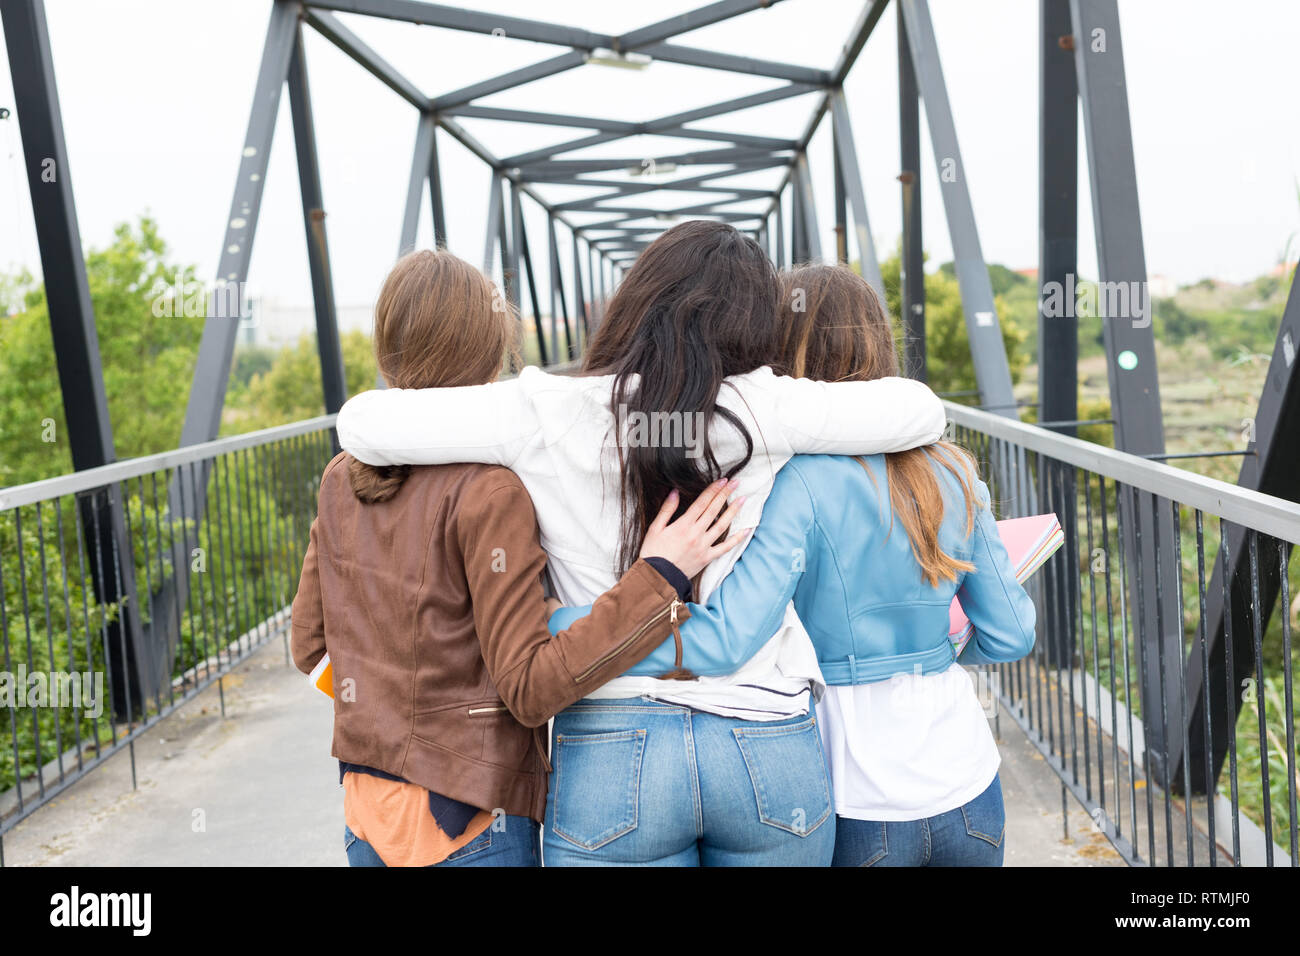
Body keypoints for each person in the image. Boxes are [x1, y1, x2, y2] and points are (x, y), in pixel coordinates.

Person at [335, 221, 947, 866]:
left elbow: (364, 424)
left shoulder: (542, 409)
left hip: (613, 749)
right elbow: (921, 411)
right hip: (762, 742)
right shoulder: (769, 407)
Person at [553, 264, 1037, 866]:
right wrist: (931, 653)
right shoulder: (954, 473)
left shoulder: (794, 483)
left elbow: (728, 637)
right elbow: (1012, 633)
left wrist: (568, 629)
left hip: (860, 794)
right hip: (970, 786)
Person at [290, 248, 745, 867]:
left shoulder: (341, 476)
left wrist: (385, 715)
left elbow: (309, 646)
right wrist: (659, 576)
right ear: (489, 353)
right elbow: (530, 689)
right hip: (466, 820)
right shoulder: (491, 490)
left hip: (365, 814)